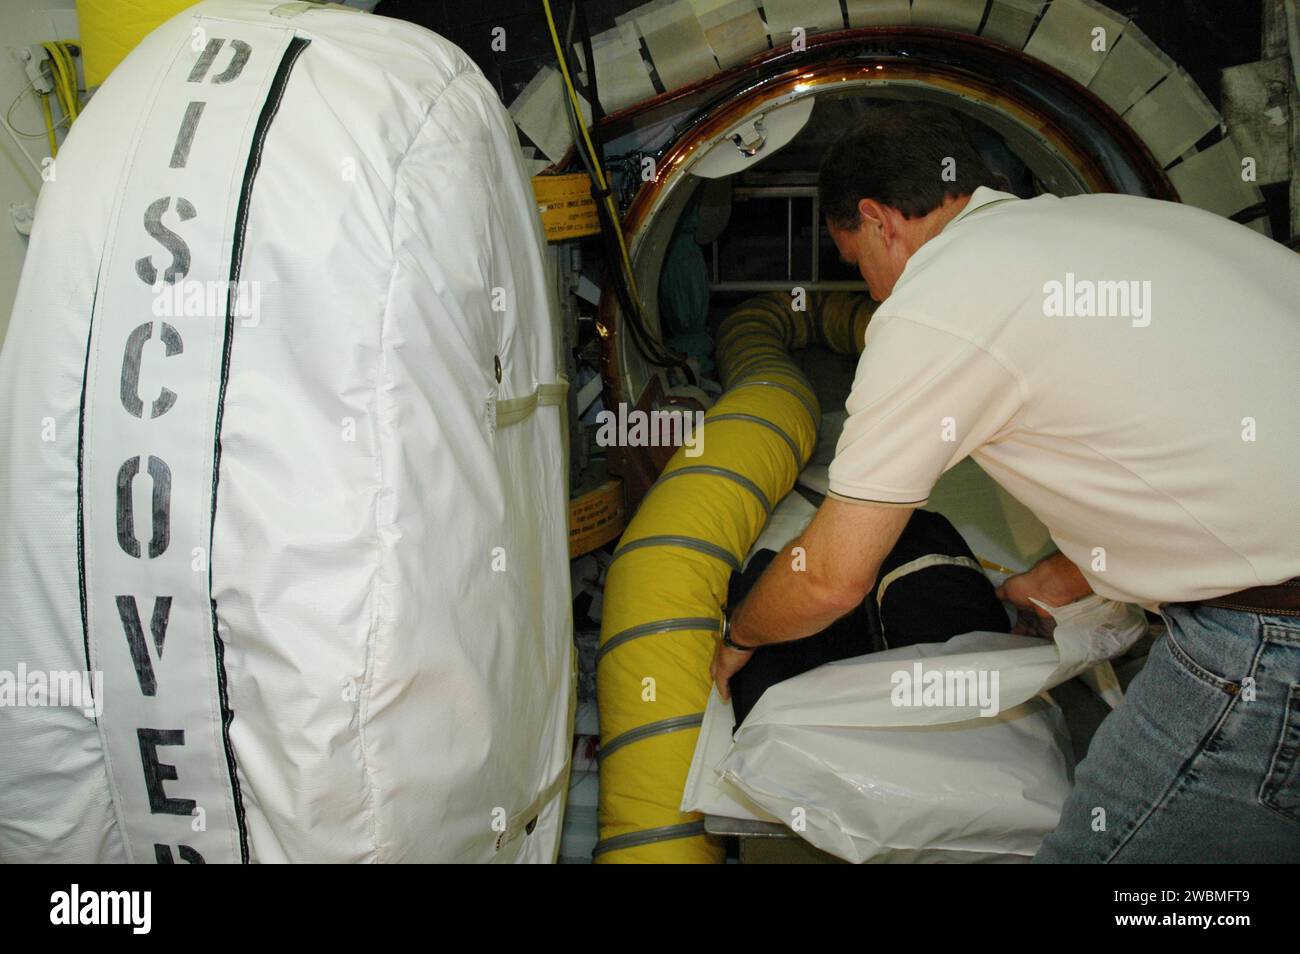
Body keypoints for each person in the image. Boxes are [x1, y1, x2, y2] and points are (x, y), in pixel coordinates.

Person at [709, 102, 1300, 862]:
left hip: (1270, 638)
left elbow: (829, 578)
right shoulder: (1118, 224)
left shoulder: (941, 298)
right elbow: (1190, 440)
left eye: (859, 264)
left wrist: (740, 636)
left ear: (879, 220)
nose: (876, 293)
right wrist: (1061, 576)